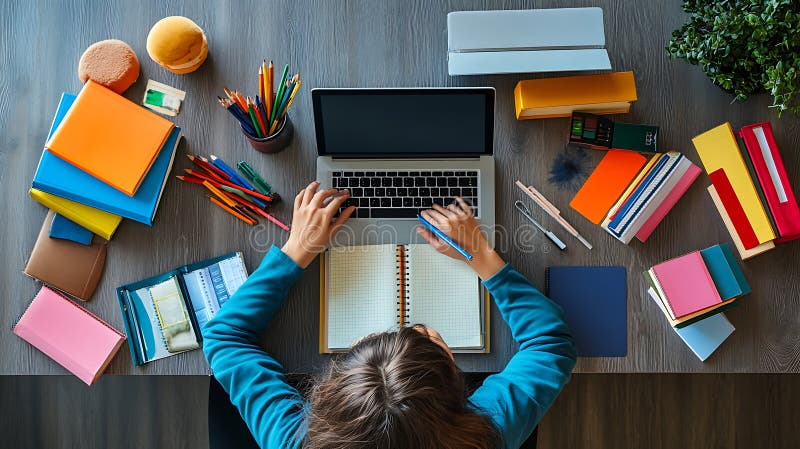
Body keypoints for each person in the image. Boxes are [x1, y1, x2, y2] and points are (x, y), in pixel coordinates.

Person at [203, 181, 577, 449]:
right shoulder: (486, 434)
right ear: (461, 390)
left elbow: (222, 337)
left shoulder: (297, 441)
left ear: (329, 392)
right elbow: (550, 344)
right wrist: (481, 254)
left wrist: (298, 248)